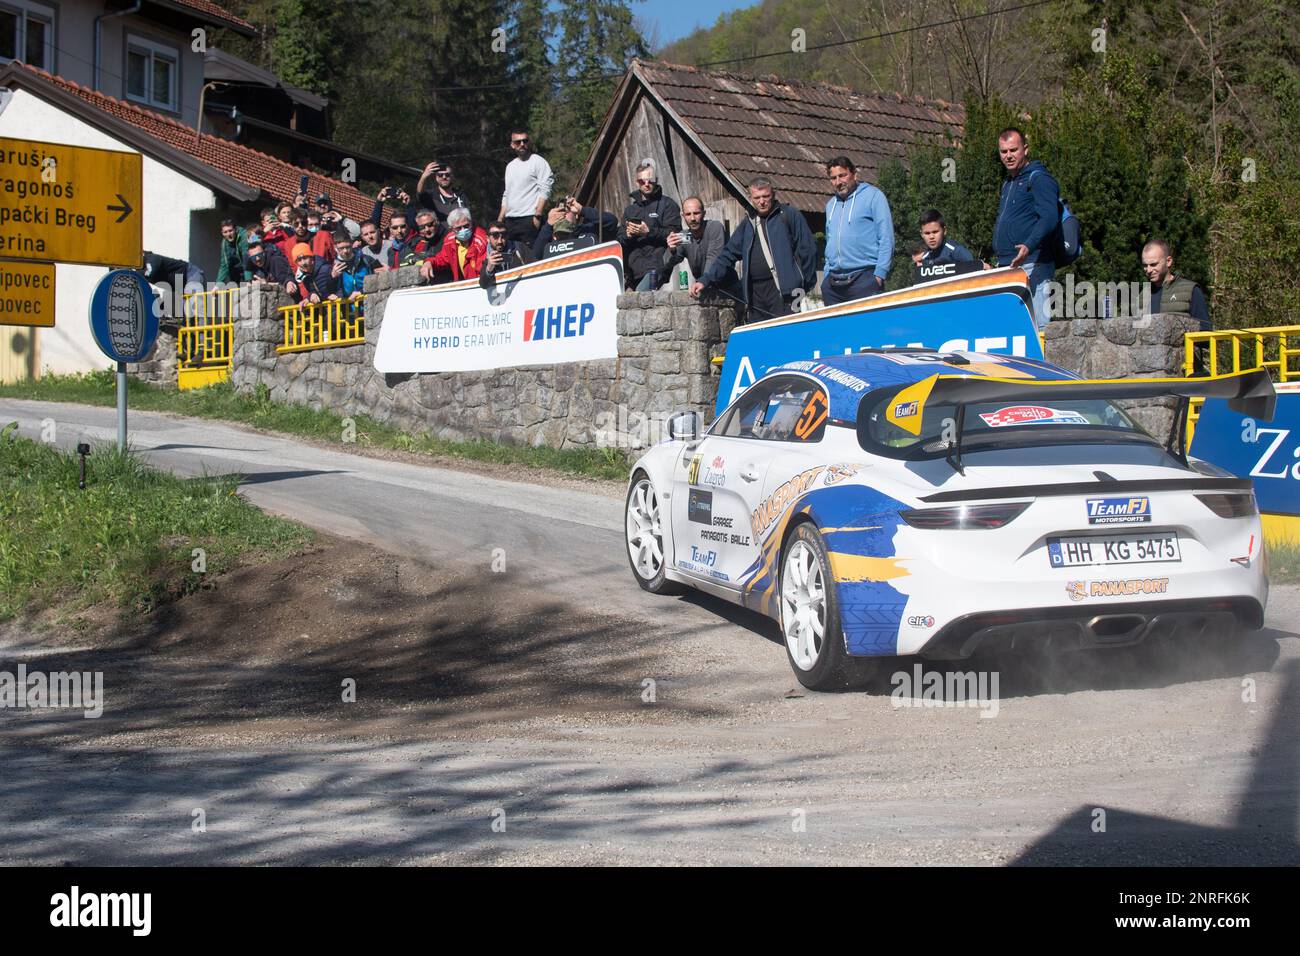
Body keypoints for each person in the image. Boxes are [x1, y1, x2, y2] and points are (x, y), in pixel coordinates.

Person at [691, 177, 817, 321]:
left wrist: (801, 285)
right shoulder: (748, 224)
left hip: (787, 294)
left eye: (766, 196)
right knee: (761, 340)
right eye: (757, 197)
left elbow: (808, 250)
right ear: (751, 198)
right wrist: (705, 280)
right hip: (755, 295)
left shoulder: (789, 215)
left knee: (789, 337)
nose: (762, 201)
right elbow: (727, 255)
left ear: (773, 195)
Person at [993, 127, 1058, 328]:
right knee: (1014, 329)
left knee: (1039, 329)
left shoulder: (1038, 178)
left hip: (1034, 265)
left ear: (1026, 149)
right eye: (1004, 152)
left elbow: (1049, 217)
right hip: (1008, 267)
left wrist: (1028, 246)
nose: (1008, 156)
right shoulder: (1008, 182)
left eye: (1014, 150)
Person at [821, 156, 893, 304]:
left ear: (854, 174)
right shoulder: (830, 205)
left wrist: (879, 274)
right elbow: (830, 241)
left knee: (867, 327)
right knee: (837, 328)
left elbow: (886, 237)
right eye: (833, 178)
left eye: (843, 175)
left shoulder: (873, 196)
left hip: (864, 279)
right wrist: (826, 274)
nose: (838, 182)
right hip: (833, 283)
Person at [618, 161, 682, 291]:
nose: (646, 184)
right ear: (637, 183)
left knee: (641, 295)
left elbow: (675, 234)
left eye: (650, 180)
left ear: (656, 180)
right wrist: (627, 235)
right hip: (632, 272)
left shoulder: (667, 204)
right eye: (642, 181)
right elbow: (619, 239)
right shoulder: (630, 210)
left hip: (656, 267)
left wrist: (648, 232)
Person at [498, 130, 554, 245]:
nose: (522, 144)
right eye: (518, 142)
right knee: (513, 258)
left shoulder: (538, 162)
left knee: (531, 257)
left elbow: (546, 188)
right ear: (512, 145)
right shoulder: (510, 166)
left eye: (525, 141)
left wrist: (537, 215)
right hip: (510, 220)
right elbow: (507, 193)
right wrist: (500, 219)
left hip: (529, 219)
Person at [1142, 239, 1210, 330]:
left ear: (1168, 261)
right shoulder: (1142, 296)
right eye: (1145, 266)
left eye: (1153, 264)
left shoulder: (1191, 291)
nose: (1148, 270)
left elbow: (1205, 332)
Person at [533, 195, 618, 259]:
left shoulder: (588, 230)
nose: (563, 215)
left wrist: (582, 210)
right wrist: (548, 225)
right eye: (559, 212)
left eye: (567, 211)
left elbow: (612, 221)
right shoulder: (549, 237)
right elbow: (536, 256)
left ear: (576, 216)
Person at [665, 196, 726, 285]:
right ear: (683, 216)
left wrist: (703, 281)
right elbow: (668, 264)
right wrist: (671, 250)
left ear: (704, 213)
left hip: (724, 286)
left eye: (696, 213)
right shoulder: (685, 236)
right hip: (703, 286)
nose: (692, 218)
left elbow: (713, 258)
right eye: (688, 214)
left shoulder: (714, 227)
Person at [421, 208, 488, 282]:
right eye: (458, 228)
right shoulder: (449, 240)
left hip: (479, 284)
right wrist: (429, 262)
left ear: (471, 223)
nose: (463, 230)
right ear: (451, 229)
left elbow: (483, 269)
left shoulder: (481, 240)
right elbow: (443, 258)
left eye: (466, 226)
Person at [328, 229, 371, 299]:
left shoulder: (365, 260)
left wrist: (361, 292)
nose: (345, 251)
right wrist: (332, 278)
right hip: (348, 306)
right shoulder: (332, 266)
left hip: (368, 303)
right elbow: (329, 292)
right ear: (335, 248)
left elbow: (376, 282)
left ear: (351, 243)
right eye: (341, 248)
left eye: (348, 247)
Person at [216, 219, 249, 284]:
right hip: (237, 267)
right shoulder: (224, 243)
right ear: (222, 233)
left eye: (230, 231)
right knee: (232, 269)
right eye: (225, 232)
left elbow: (246, 257)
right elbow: (225, 264)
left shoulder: (244, 235)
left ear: (235, 230)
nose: (228, 234)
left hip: (249, 264)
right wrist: (218, 284)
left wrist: (248, 279)